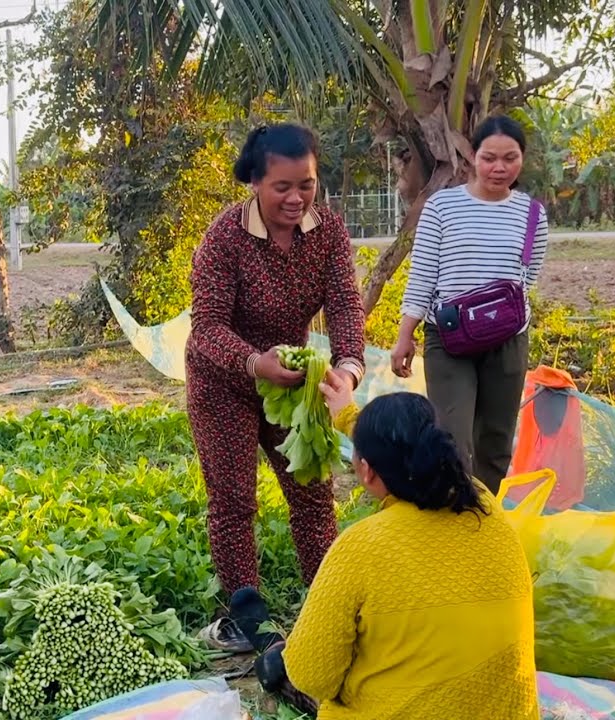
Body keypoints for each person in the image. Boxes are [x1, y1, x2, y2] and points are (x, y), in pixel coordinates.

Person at [255, 374, 539, 719]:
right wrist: (347, 413)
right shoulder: (485, 505)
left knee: (277, 666)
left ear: (366, 471)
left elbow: (311, 676)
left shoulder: (361, 548)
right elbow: (408, 448)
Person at [185, 123, 367, 653]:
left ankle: (328, 607)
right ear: (255, 183)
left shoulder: (328, 231)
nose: (295, 197)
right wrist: (252, 363)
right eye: (281, 186)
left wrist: (348, 369)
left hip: (291, 384)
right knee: (234, 498)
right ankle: (248, 619)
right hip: (226, 382)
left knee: (311, 494)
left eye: (305, 184)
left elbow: (346, 307)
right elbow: (208, 327)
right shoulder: (224, 239)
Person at [390, 114, 550, 493]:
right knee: (452, 440)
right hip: (449, 340)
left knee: (495, 443)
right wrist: (404, 337)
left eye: (509, 158)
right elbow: (423, 276)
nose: (499, 167)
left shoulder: (532, 215)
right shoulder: (442, 208)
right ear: (472, 158)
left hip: (507, 340)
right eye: (489, 157)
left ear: (522, 159)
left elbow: (527, 280)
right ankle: (452, 522)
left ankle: (485, 522)